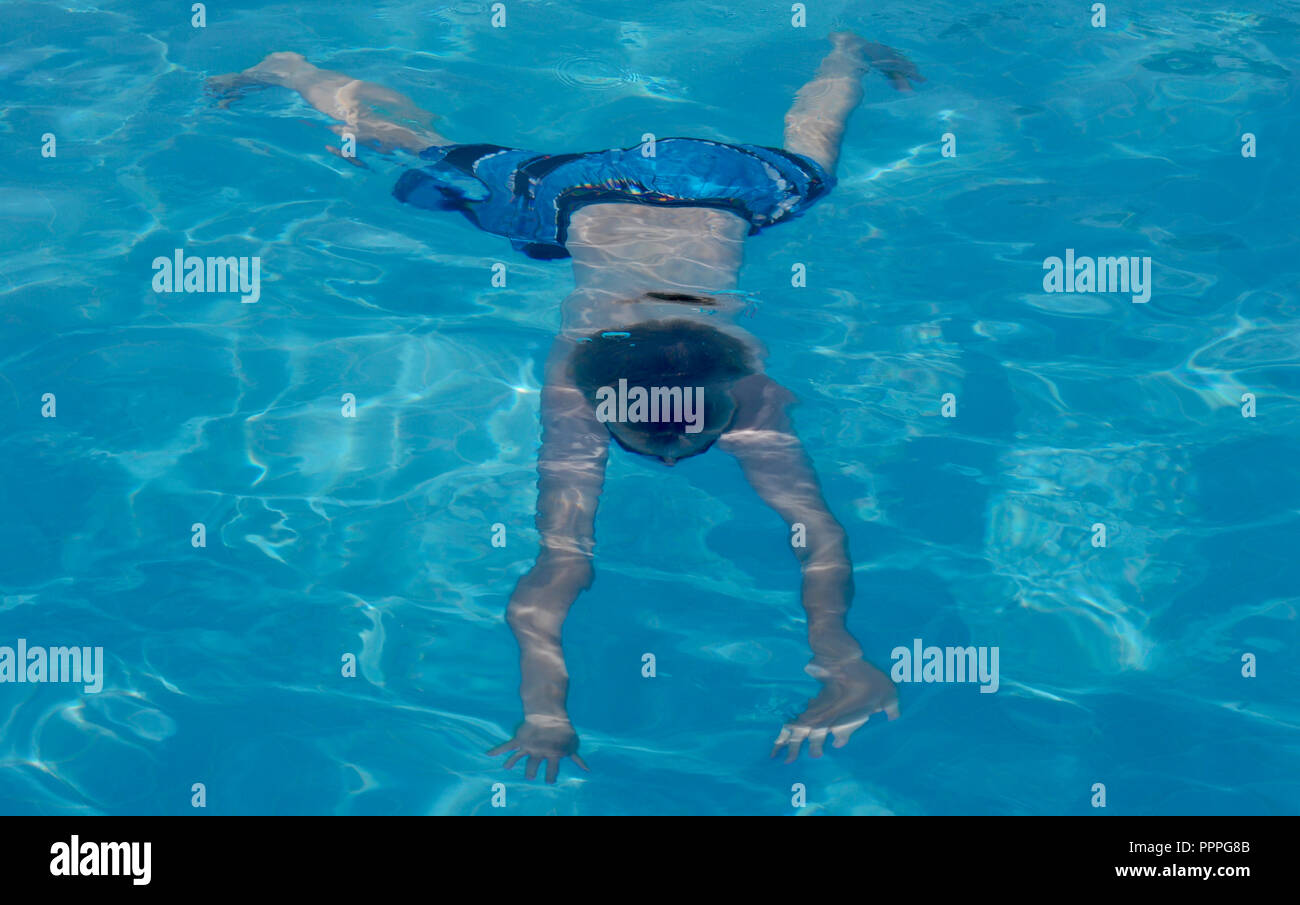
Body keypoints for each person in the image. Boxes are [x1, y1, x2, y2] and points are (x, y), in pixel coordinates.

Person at [208, 33, 922, 784]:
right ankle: (846, 53)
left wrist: (551, 711)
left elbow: (563, 564)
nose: (678, 458)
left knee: (810, 157)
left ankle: (296, 70)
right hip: (585, 198)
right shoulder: (716, 387)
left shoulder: (697, 380)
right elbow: (814, 533)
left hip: (723, 189)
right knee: (415, 151)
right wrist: (836, 652)